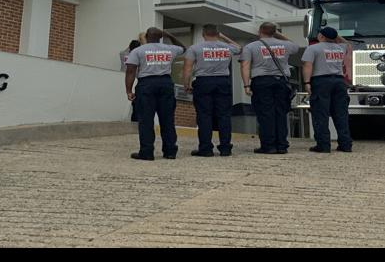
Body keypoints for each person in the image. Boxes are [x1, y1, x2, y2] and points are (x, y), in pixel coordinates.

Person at [240, 22, 301, 155]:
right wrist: (278, 35)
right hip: (281, 82)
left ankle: (269, 145)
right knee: (280, 113)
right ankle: (282, 145)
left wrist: (246, 85)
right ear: (274, 32)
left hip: (261, 82)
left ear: (260, 31)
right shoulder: (285, 45)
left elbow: (245, 65)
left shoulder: (251, 47)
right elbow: (296, 46)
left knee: (265, 114)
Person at [125, 27, 183, 160]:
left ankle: (147, 152)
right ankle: (170, 151)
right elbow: (183, 48)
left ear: (146, 36)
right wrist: (170, 35)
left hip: (146, 85)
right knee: (167, 119)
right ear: (160, 37)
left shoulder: (138, 51)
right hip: (166, 83)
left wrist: (129, 91)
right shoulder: (170, 49)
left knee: (146, 120)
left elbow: (130, 71)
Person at [183, 24, 239, 157]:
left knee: (204, 115)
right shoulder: (227, 47)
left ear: (203, 34)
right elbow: (239, 48)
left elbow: (187, 68)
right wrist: (223, 37)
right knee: (224, 115)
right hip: (223, 81)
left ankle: (206, 148)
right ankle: (225, 148)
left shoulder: (195, 48)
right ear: (217, 33)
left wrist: (186, 84)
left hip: (203, 82)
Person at [301, 26, 352, 153]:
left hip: (321, 81)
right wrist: (335, 36)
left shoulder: (313, 48)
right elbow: (347, 43)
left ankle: (323, 145)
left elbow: (308, 65)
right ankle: (345, 144)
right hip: (339, 82)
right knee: (341, 114)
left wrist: (307, 82)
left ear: (321, 36)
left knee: (320, 113)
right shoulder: (341, 48)